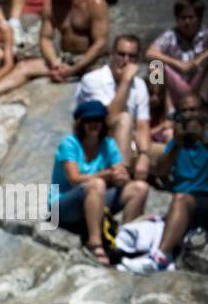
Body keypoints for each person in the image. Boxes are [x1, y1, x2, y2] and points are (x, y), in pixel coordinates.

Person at [48, 99, 150, 265]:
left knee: (139, 188)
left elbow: (120, 171)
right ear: (80, 123)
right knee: (97, 184)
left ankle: (125, 240)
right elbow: (74, 179)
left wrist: (120, 176)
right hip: (62, 207)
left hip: (95, 199)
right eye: (89, 121)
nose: (94, 125)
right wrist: (107, 174)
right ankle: (94, 243)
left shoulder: (108, 144)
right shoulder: (69, 144)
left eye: (98, 120)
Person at [120, 93, 208, 273]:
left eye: (193, 110)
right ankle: (145, 255)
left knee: (181, 199)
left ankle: (159, 258)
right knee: (141, 228)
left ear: (204, 112)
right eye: (184, 112)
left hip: (201, 202)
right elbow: (161, 170)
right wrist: (177, 143)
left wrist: (203, 139)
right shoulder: (180, 141)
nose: (189, 115)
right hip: (184, 205)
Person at [75, 34, 152, 180]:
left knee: (170, 150)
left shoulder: (140, 85)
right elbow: (109, 120)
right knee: (124, 118)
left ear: (138, 60)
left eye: (132, 56)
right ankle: (121, 177)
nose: (126, 61)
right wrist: (125, 81)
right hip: (97, 142)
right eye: (121, 54)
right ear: (111, 54)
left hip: (132, 144)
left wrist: (144, 155)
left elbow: (143, 125)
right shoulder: (92, 80)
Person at [145, 0, 208, 107]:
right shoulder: (170, 35)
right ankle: (158, 101)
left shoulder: (204, 34)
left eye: (191, 17)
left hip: (198, 85)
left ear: (199, 18)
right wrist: (177, 63)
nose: (187, 22)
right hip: (175, 86)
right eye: (182, 18)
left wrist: (200, 59)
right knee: (155, 64)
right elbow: (149, 53)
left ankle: (204, 104)